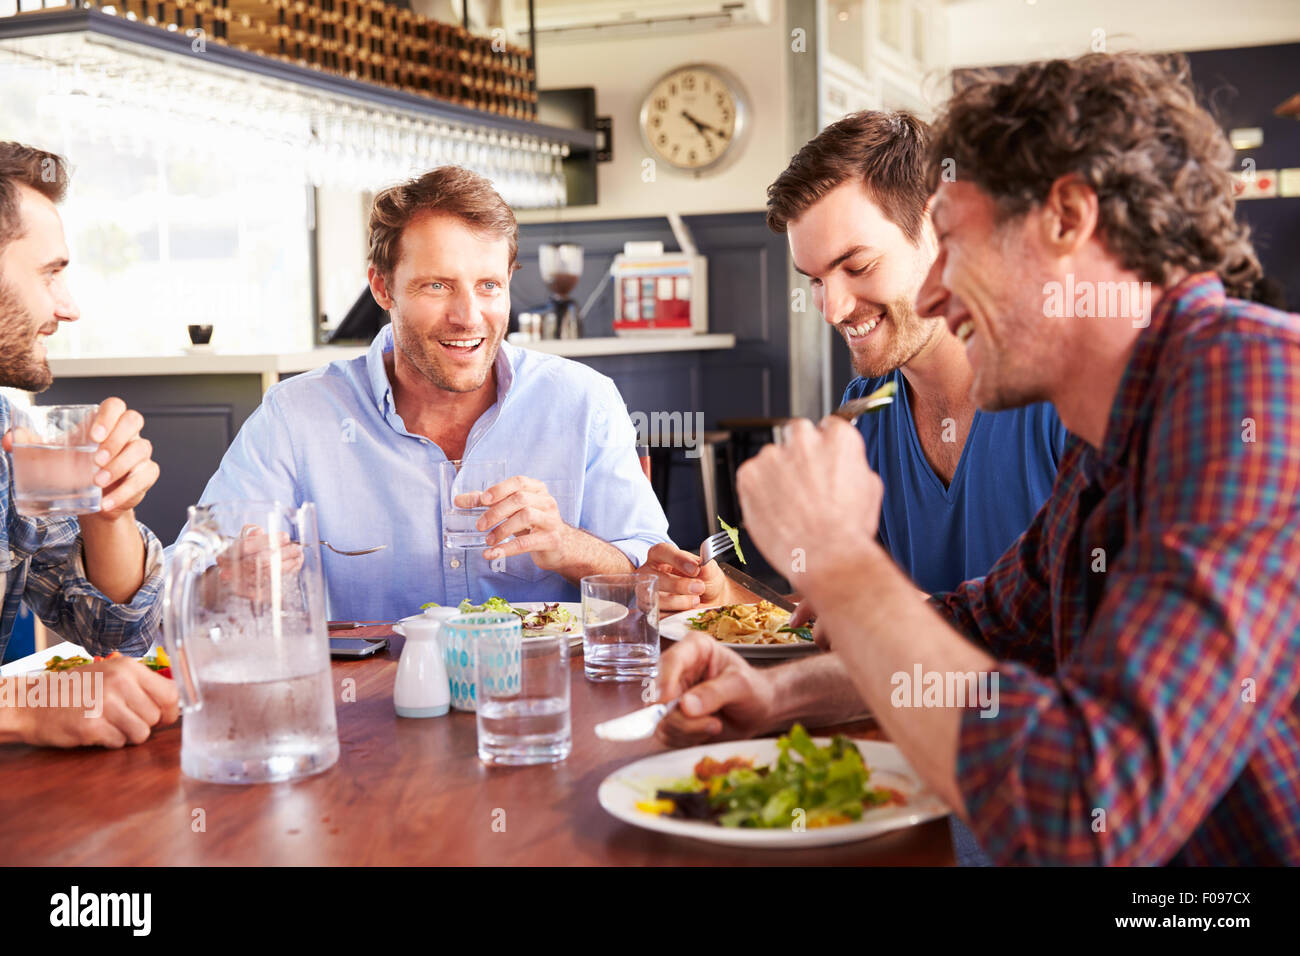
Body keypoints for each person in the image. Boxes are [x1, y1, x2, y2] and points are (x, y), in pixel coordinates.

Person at [656, 52, 1300, 865]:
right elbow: (983, 630)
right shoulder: (1114, 435)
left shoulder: (1255, 384)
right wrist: (779, 693)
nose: (931, 293)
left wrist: (845, 568)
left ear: (1066, 218)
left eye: (954, 243)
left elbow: (1084, 812)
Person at [641, 111, 1065, 865]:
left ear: (941, 234)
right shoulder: (867, 412)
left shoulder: (1062, 404)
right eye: (814, 280)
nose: (833, 308)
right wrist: (776, 690)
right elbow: (891, 656)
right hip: (934, 788)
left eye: (857, 267)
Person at [185, 166, 670, 621]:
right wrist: (223, 582)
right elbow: (182, 579)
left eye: (488, 285)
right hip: (371, 702)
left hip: (547, 699)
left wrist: (567, 544)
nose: (468, 316)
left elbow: (658, 585)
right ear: (382, 288)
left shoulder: (584, 402)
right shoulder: (297, 417)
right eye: (437, 286)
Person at [0, 142, 178, 749]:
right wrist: (24, 705)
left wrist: (108, 517)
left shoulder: (8, 434)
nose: (68, 308)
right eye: (50, 272)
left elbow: (116, 636)